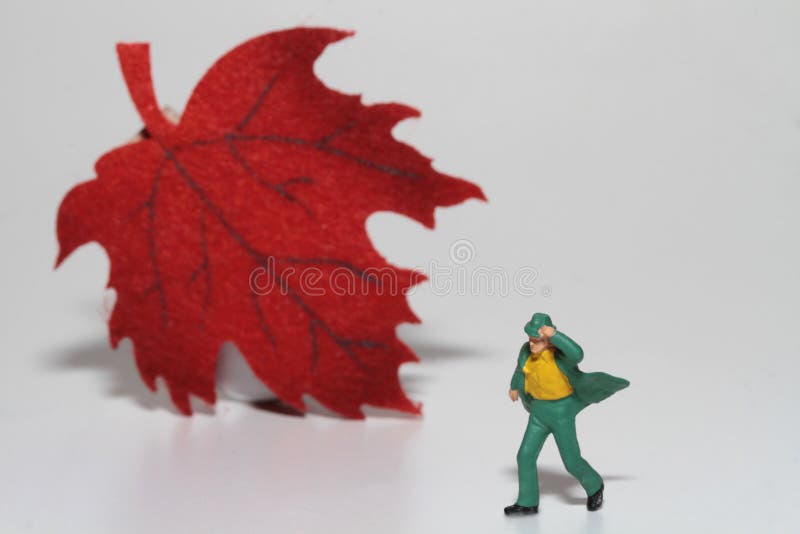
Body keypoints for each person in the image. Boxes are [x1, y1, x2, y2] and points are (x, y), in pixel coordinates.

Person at [505, 313, 629, 515]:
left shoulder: (560, 356)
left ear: (548, 338)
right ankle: (528, 501)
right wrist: (514, 386)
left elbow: (577, 354)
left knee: (571, 461)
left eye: (536, 339)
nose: (531, 343)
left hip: (562, 412)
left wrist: (556, 335)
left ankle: (594, 484)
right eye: (530, 338)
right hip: (538, 412)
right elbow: (520, 370)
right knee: (525, 456)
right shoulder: (527, 352)